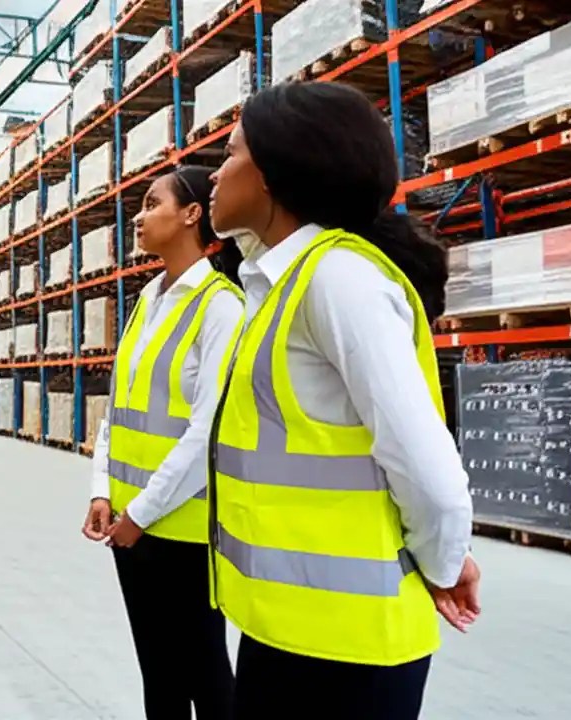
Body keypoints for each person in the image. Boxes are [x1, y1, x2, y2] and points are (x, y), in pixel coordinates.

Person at [206, 81, 481, 719]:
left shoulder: (339, 280)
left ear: (273, 174)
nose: (215, 174)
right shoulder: (284, 285)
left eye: (231, 153)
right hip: (289, 627)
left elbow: (427, 466)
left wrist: (444, 562)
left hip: (351, 653)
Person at [82, 166, 244, 720]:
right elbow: (119, 406)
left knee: (205, 672)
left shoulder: (222, 306)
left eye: (153, 203)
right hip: (131, 525)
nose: (140, 215)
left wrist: (143, 513)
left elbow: (207, 432)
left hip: (185, 531)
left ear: (192, 214)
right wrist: (101, 490)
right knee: (158, 671)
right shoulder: (147, 298)